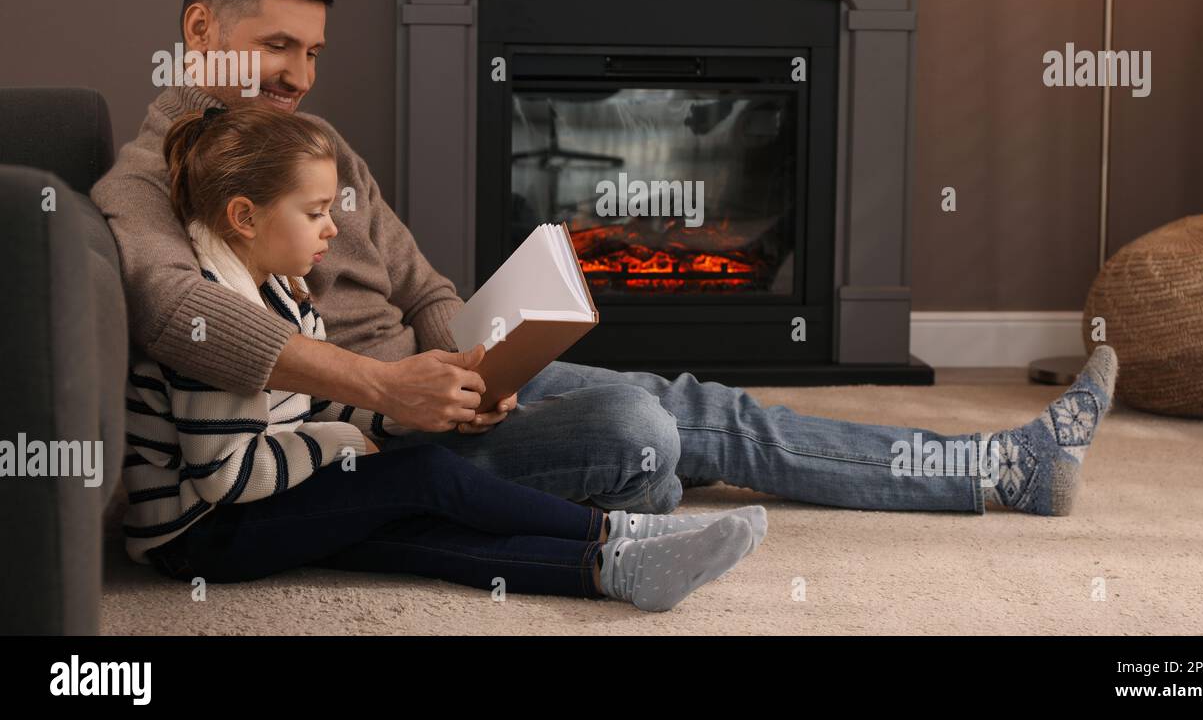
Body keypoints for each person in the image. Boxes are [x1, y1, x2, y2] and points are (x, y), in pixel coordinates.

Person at [92, 0, 1119, 530]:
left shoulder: (312, 144)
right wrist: (388, 387)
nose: (300, 75)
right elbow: (175, 313)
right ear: (199, 34)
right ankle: (639, 480)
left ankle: (998, 466)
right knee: (645, 431)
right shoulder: (140, 181)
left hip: (442, 386)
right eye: (278, 45)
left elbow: (417, 278)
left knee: (695, 405)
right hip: (368, 434)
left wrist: (472, 353)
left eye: (312, 51)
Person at [123, 103, 768, 611]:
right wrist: (343, 445)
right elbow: (225, 477)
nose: (333, 229)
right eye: (316, 212)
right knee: (422, 479)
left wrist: (403, 415)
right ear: (243, 217)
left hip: (259, 495)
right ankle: (616, 536)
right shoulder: (220, 318)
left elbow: (313, 402)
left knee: (416, 531)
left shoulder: (280, 289)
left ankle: (613, 571)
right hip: (201, 534)